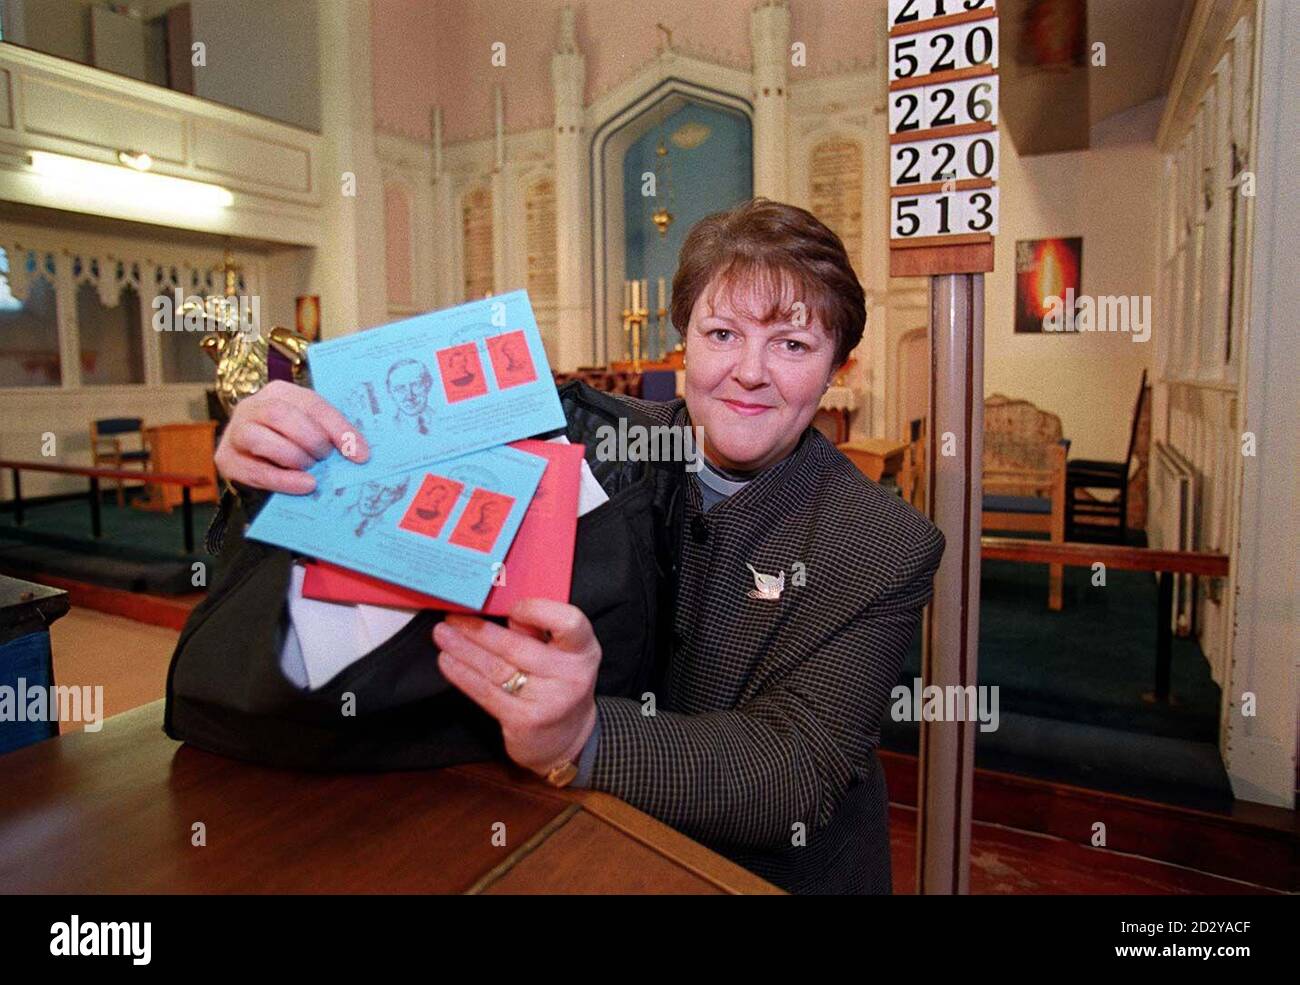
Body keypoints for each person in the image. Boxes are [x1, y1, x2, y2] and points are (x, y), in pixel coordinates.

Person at [211, 198, 943, 894]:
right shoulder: (593, 438)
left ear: (837, 365)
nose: (749, 371)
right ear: (683, 338)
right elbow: (392, 465)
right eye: (722, 334)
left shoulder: (882, 541)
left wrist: (584, 734)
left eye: (791, 344)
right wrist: (282, 457)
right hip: (580, 845)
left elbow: (794, 767)